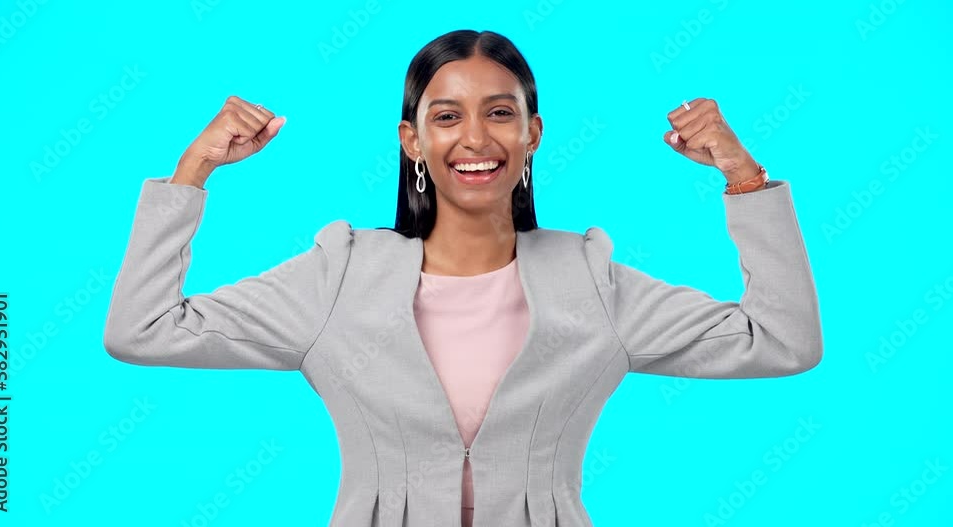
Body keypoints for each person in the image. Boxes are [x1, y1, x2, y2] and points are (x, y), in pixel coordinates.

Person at [103, 29, 822, 527]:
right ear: (412, 140)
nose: (476, 139)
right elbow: (143, 328)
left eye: (500, 114)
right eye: (446, 116)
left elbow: (782, 341)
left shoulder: (589, 280)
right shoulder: (340, 275)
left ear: (532, 135)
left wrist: (744, 178)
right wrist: (192, 171)